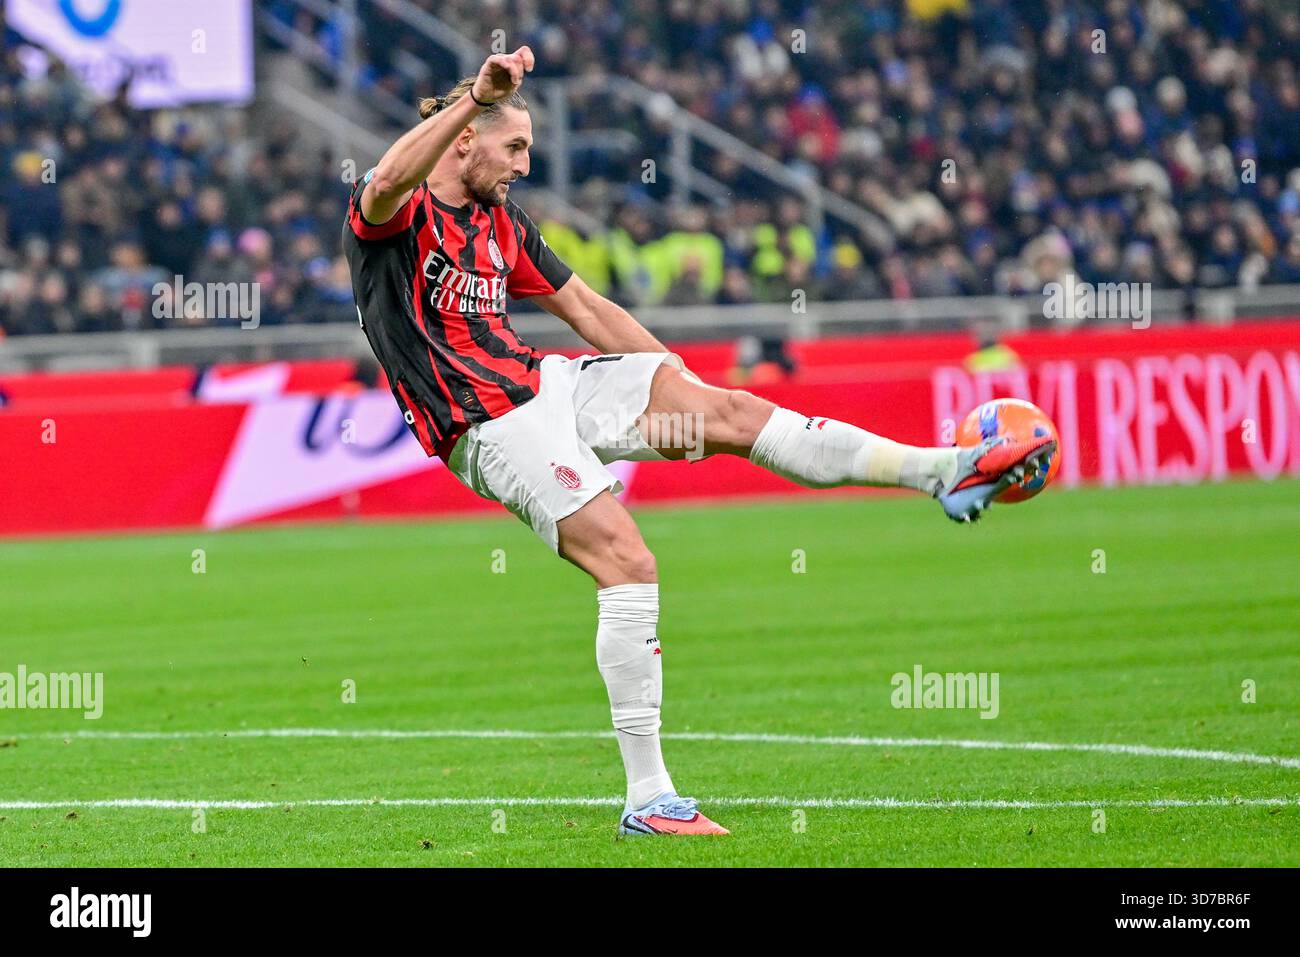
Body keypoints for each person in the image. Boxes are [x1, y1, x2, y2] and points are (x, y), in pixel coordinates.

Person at [342, 47, 1054, 837]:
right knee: (626, 558)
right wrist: (477, 94)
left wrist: (671, 377)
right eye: (514, 147)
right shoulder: (399, 214)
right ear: (465, 140)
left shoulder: (502, 224)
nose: (525, 163)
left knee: (734, 413)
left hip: (548, 388)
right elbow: (380, 185)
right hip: (483, 424)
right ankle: (649, 798)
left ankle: (941, 471)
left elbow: (588, 309)